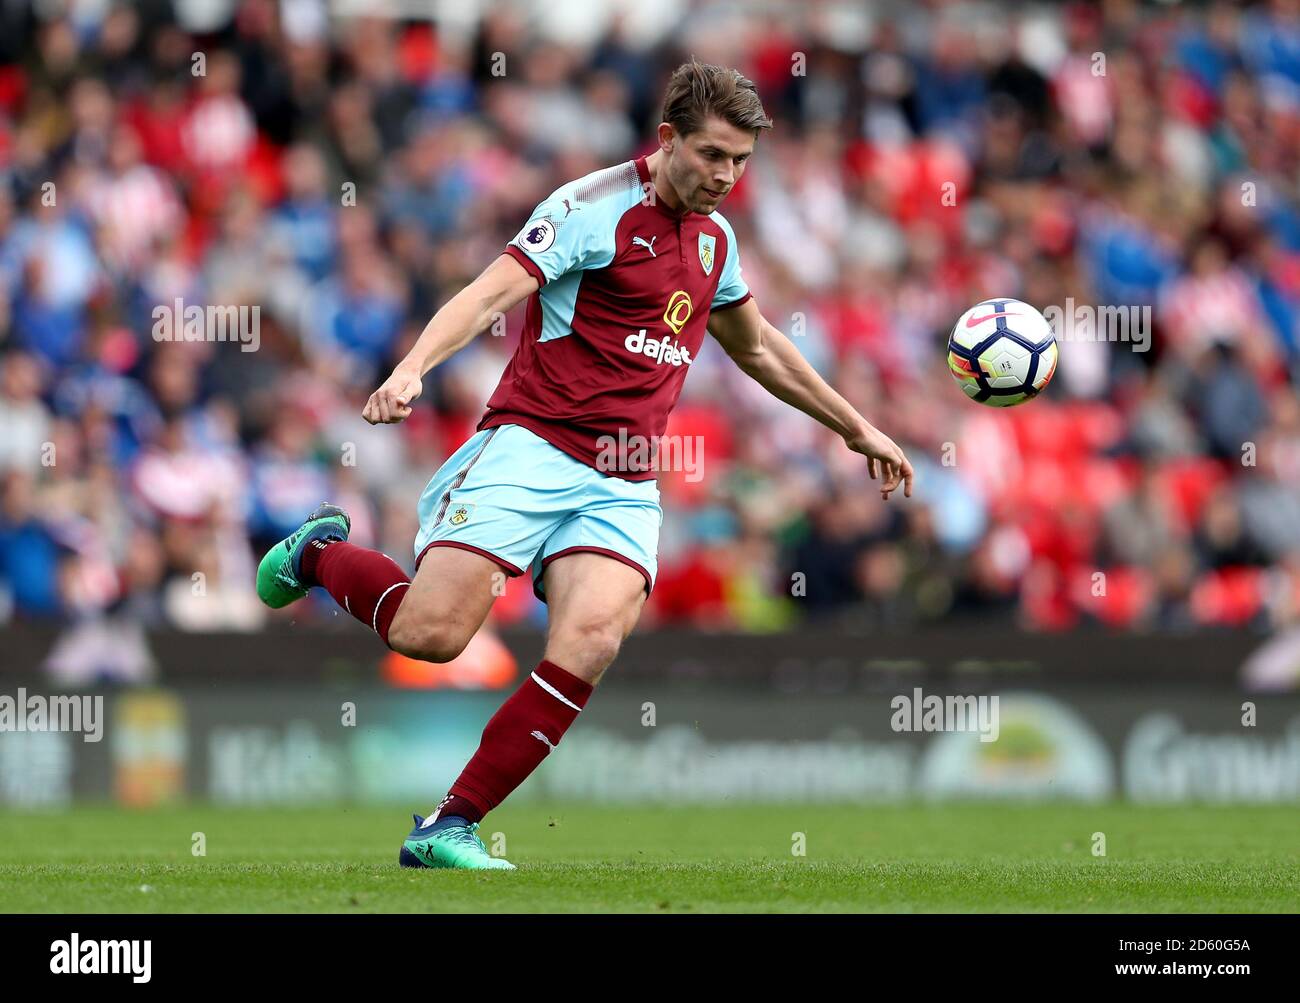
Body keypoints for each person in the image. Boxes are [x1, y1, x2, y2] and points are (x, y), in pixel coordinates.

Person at [255, 60, 913, 870]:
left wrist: (856, 427)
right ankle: (320, 551)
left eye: (740, 161)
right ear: (667, 137)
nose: (726, 176)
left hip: (625, 475)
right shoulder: (587, 207)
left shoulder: (716, 242)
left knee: (593, 637)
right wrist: (412, 368)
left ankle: (448, 825)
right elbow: (488, 293)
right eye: (712, 154)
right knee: (430, 635)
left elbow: (758, 347)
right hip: (532, 444)